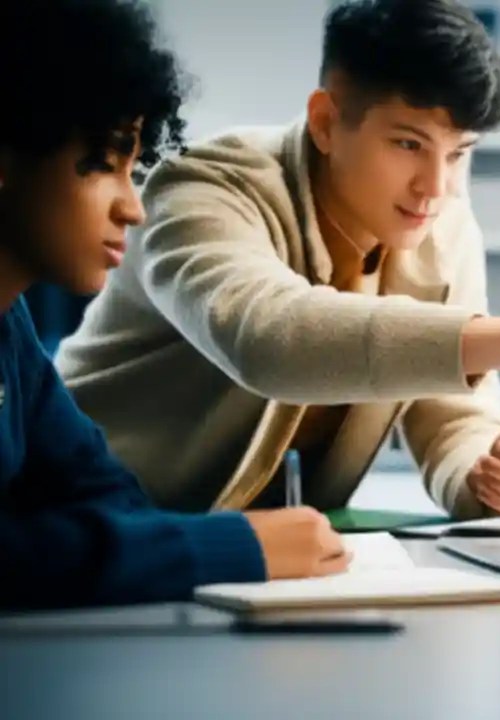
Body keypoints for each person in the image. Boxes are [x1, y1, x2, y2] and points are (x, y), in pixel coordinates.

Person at [55, 0, 500, 520]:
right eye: (408, 145)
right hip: (92, 527)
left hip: (268, 557)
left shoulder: (442, 227)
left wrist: (488, 471)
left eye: (459, 153)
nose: (435, 188)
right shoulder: (202, 187)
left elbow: (456, 411)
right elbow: (269, 338)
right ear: (325, 122)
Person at [0, 0, 351, 609]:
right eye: (105, 166)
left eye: (134, 169)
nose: (132, 208)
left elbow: (100, 490)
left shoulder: (10, 324)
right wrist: (234, 547)